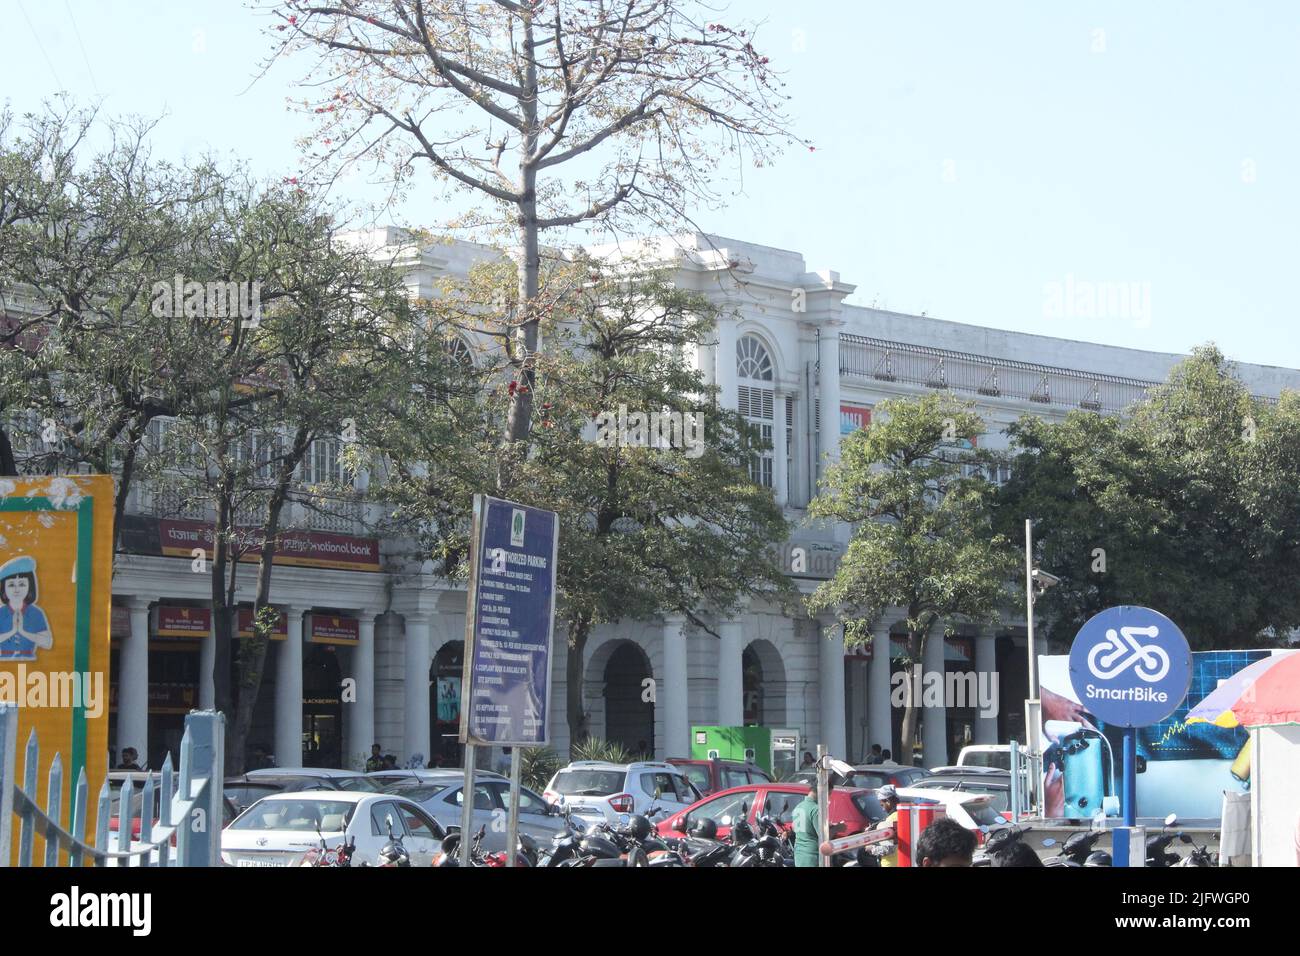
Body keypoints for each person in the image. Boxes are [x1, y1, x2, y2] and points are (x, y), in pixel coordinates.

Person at [0, 555, 54, 661]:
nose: (17, 589)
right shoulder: (1, 613)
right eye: (11, 585)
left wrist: (23, 632)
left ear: (30, 586)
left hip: (31, 664)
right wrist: (12, 631)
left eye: (22, 584)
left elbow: (47, 643)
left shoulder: (36, 613)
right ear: (3, 588)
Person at [791, 779, 843, 867]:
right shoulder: (816, 809)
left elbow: (795, 828)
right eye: (829, 794)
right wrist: (838, 827)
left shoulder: (798, 807)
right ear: (822, 792)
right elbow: (824, 838)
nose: (829, 798)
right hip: (813, 857)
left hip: (799, 856)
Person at [868, 785, 900, 867]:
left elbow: (888, 849)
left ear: (888, 801)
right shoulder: (903, 816)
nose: (883, 809)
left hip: (890, 864)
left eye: (882, 805)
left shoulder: (890, 820)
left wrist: (871, 848)